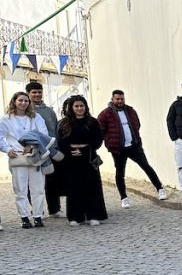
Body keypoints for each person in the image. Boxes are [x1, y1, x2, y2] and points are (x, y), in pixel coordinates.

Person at [98, 89, 168, 208]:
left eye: (122, 99)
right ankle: (124, 198)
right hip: (118, 149)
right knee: (120, 173)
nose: (120, 101)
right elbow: (100, 130)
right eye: (117, 99)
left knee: (146, 166)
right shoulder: (105, 114)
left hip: (134, 146)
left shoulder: (130, 111)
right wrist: (110, 141)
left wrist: (136, 140)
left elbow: (137, 125)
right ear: (112, 99)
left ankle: (160, 189)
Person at [57, 95, 108, 226]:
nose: (79, 108)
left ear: (85, 107)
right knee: (74, 187)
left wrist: (85, 150)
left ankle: (93, 215)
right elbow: (61, 141)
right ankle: (75, 217)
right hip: (71, 160)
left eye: (81, 106)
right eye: (76, 106)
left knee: (91, 187)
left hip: (89, 158)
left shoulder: (92, 122)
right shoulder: (64, 123)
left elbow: (98, 139)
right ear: (71, 108)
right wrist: (70, 150)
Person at [0, 91, 49, 228]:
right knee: (20, 189)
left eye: (26, 101)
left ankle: (38, 216)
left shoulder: (36, 117)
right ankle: (24, 217)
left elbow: (43, 133)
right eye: (20, 100)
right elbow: (0, 137)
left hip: (34, 155)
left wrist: (32, 145)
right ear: (14, 102)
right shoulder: (6, 119)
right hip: (17, 156)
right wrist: (7, 149)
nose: (23, 103)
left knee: (38, 188)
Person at [26, 81, 63, 218]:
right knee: (33, 182)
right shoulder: (24, 111)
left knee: (53, 180)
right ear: (28, 94)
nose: (37, 95)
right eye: (34, 92)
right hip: (34, 151)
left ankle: (54, 209)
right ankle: (37, 210)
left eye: (39, 92)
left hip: (50, 149)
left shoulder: (49, 111)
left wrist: (56, 146)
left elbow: (55, 130)